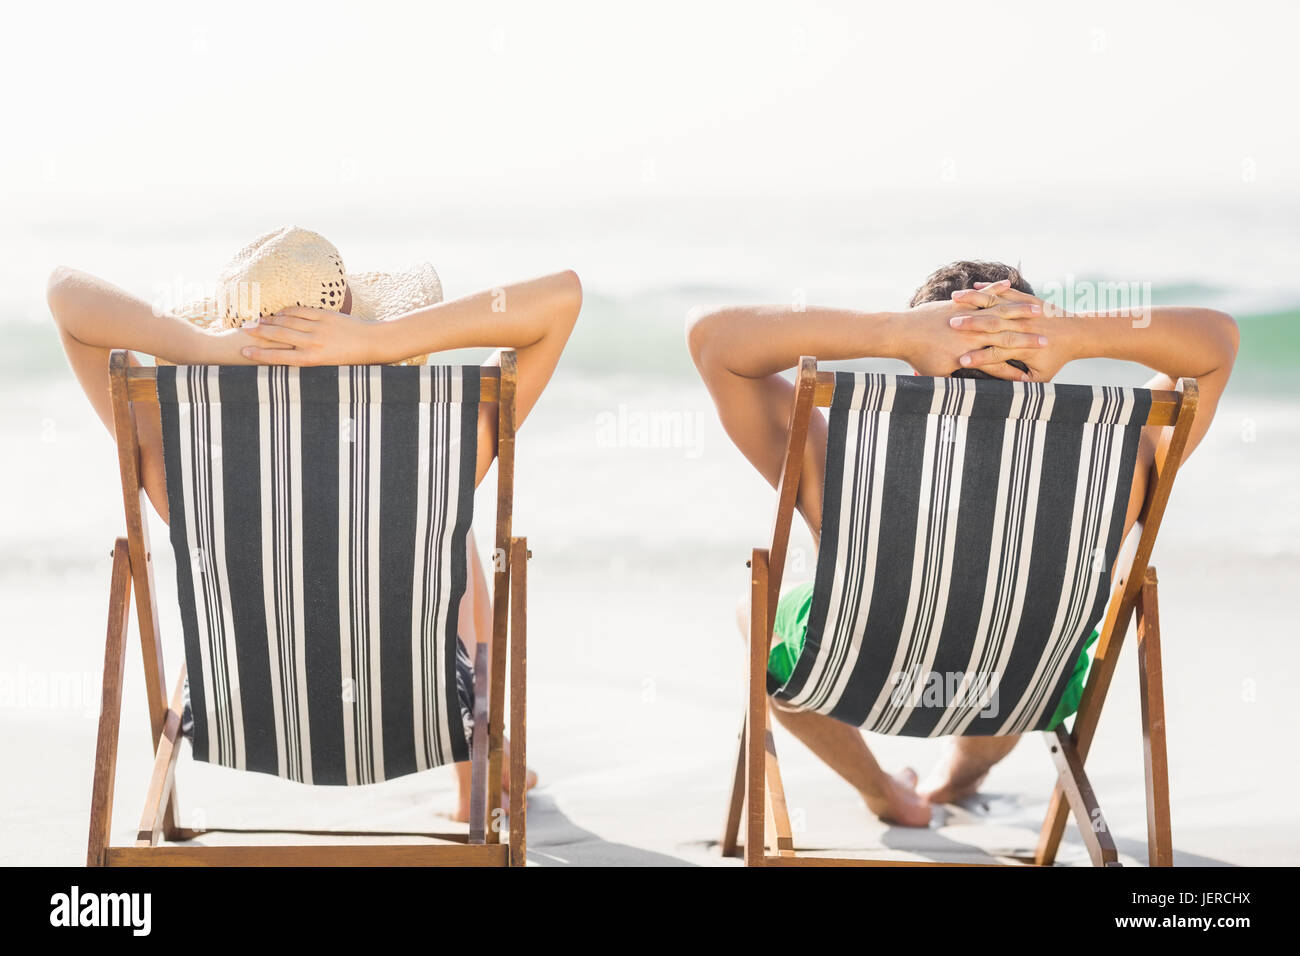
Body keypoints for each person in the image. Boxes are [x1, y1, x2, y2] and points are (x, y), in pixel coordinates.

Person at [47, 226, 580, 816]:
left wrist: (206, 348)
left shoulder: (182, 471)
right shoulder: (424, 459)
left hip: (250, 718)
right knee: (448, 525)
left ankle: (479, 775)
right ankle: (471, 782)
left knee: (444, 525)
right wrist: (381, 341)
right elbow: (563, 297)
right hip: (408, 717)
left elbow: (65, 298)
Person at [686, 260, 1238, 826]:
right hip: (1019, 690)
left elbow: (712, 339)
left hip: (850, 679)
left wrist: (893, 333)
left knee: (751, 610)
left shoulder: (838, 461)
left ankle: (883, 792)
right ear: (1039, 353)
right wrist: (1073, 334)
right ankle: (953, 782)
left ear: (922, 362)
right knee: (1038, 650)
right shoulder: (1121, 461)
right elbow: (1218, 341)